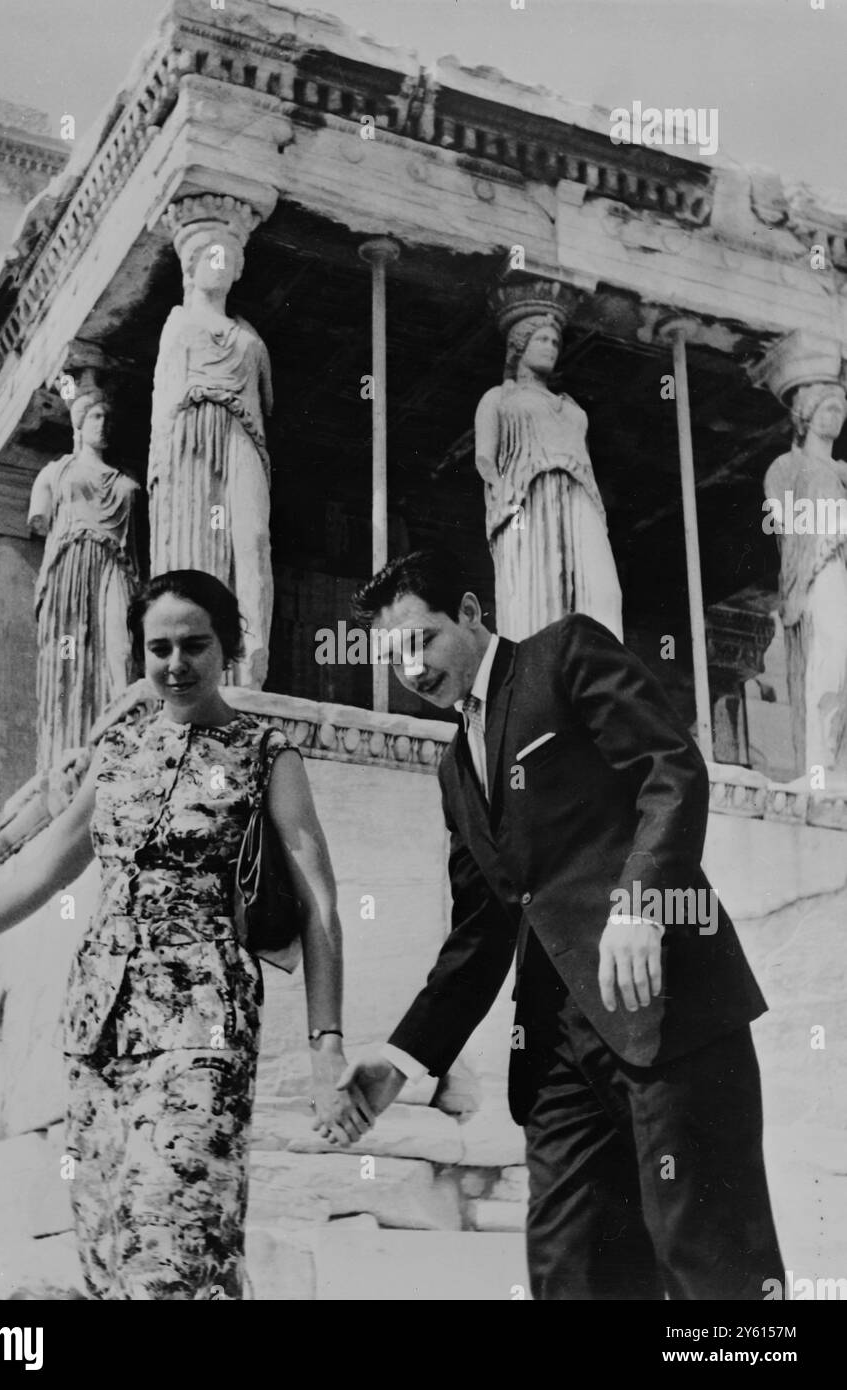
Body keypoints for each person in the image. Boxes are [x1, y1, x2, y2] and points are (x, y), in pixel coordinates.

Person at [0, 570, 370, 1300]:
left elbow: (319, 906)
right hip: (100, 1029)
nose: (176, 664)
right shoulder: (118, 753)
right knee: (111, 1243)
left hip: (202, 1030)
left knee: (177, 1241)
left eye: (195, 645)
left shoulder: (264, 754)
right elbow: (42, 871)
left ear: (230, 646)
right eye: (159, 649)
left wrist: (326, 1044)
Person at [341, 549, 783, 1301]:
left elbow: (669, 769)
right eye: (393, 658)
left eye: (422, 641)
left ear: (473, 613)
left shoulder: (563, 654)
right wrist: (401, 1058)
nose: (411, 671)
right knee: (569, 1268)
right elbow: (480, 931)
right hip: (555, 1051)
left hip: (665, 1009)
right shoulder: (455, 769)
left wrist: (640, 904)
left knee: (709, 1258)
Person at [148, 221, 273, 689]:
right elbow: (164, 401)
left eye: (227, 259)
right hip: (191, 438)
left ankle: (251, 649)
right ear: (192, 267)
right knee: (199, 542)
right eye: (210, 258)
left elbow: (267, 403)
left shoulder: (249, 338)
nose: (218, 266)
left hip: (241, 434)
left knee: (253, 536)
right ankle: (201, 655)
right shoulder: (179, 324)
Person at [474, 308, 623, 643]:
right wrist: (506, 502)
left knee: (603, 593)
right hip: (526, 498)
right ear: (519, 347)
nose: (551, 347)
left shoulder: (569, 404)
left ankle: (602, 666)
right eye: (542, 339)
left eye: (555, 341)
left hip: (580, 495)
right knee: (540, 589)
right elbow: (485, 458)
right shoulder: (500, 397)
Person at [28, 387, 139, 772]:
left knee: (120, 648)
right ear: (79, 423)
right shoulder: (55, 473)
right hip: (71, 567)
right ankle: (69, 746)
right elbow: (40, 520)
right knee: (70, 655)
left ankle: (123, 741)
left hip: (115, 563)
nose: (103, 425)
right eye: (95, 416)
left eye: (109, 418)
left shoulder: (127, 481)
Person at [763, 381, 847, 779]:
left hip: (841, 565)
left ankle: (837, 759)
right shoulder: (788, 466)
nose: (836, 415)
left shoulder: (844, 473)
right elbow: (782, 522)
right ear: (807, 416)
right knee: (831, 655)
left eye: (841, 408)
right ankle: (819, 762)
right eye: (827, 408)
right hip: (818, 569)